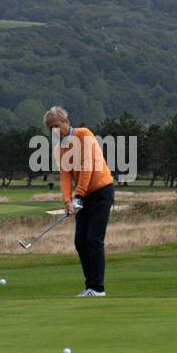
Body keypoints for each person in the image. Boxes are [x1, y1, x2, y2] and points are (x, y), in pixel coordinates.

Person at [45, 106, 114, 296]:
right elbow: (65, 176)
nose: (54, 131)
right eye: (50, 128)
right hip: (82, 196)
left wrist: (78, 196)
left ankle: (97, 288)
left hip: (101, 191)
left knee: (93, 240)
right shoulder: (59, 148)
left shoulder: (84, 134)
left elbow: (87, 166)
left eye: (57, 125)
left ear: (67, 122)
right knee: (80, 242)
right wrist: (67, 201)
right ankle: (89, 286)